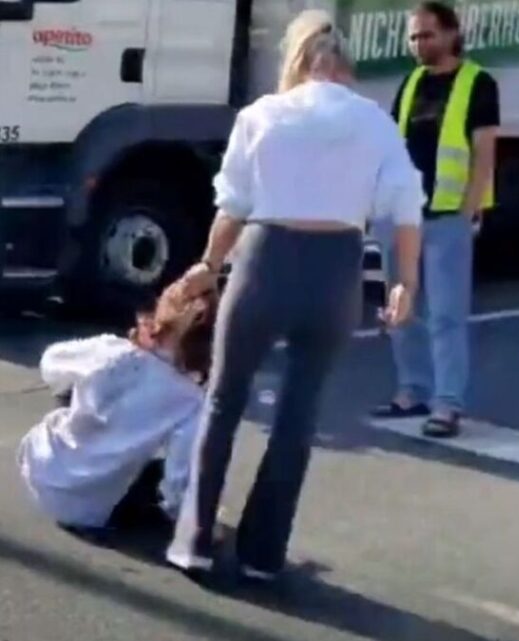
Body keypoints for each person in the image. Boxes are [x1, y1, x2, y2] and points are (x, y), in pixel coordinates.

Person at [164, 9, 425, 581]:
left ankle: (195, 541)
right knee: (297, 415)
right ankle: (262, 555)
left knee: (224, 401)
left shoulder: (263, 115)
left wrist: (209, 265)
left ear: (297, 61)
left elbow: (233, 204)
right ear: (344, 66)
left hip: (266, 260)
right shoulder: (374, 122)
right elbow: (406, 208)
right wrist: (404, 281)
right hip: (336, 270)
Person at [370, 1, 499, 438]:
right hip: (403, 216)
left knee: (446, 314)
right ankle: (412, 390)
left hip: (446, 217)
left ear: (450, 35)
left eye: (426, 35)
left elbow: (484, 153)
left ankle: (446, 404)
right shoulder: (411, 83)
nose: (418, 44)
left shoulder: (478, 83)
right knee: (400, 309)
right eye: (413, 36)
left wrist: (466, 211)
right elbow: (391, 149)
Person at [17, 279, 216, 534]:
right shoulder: (191, 399)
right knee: (156, 467)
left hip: (41, 467)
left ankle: (82, 440)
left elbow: (51, 363)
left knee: (76, 384)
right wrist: (182, 514)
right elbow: (178, 475)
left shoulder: (110, 347)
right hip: (89, 509)